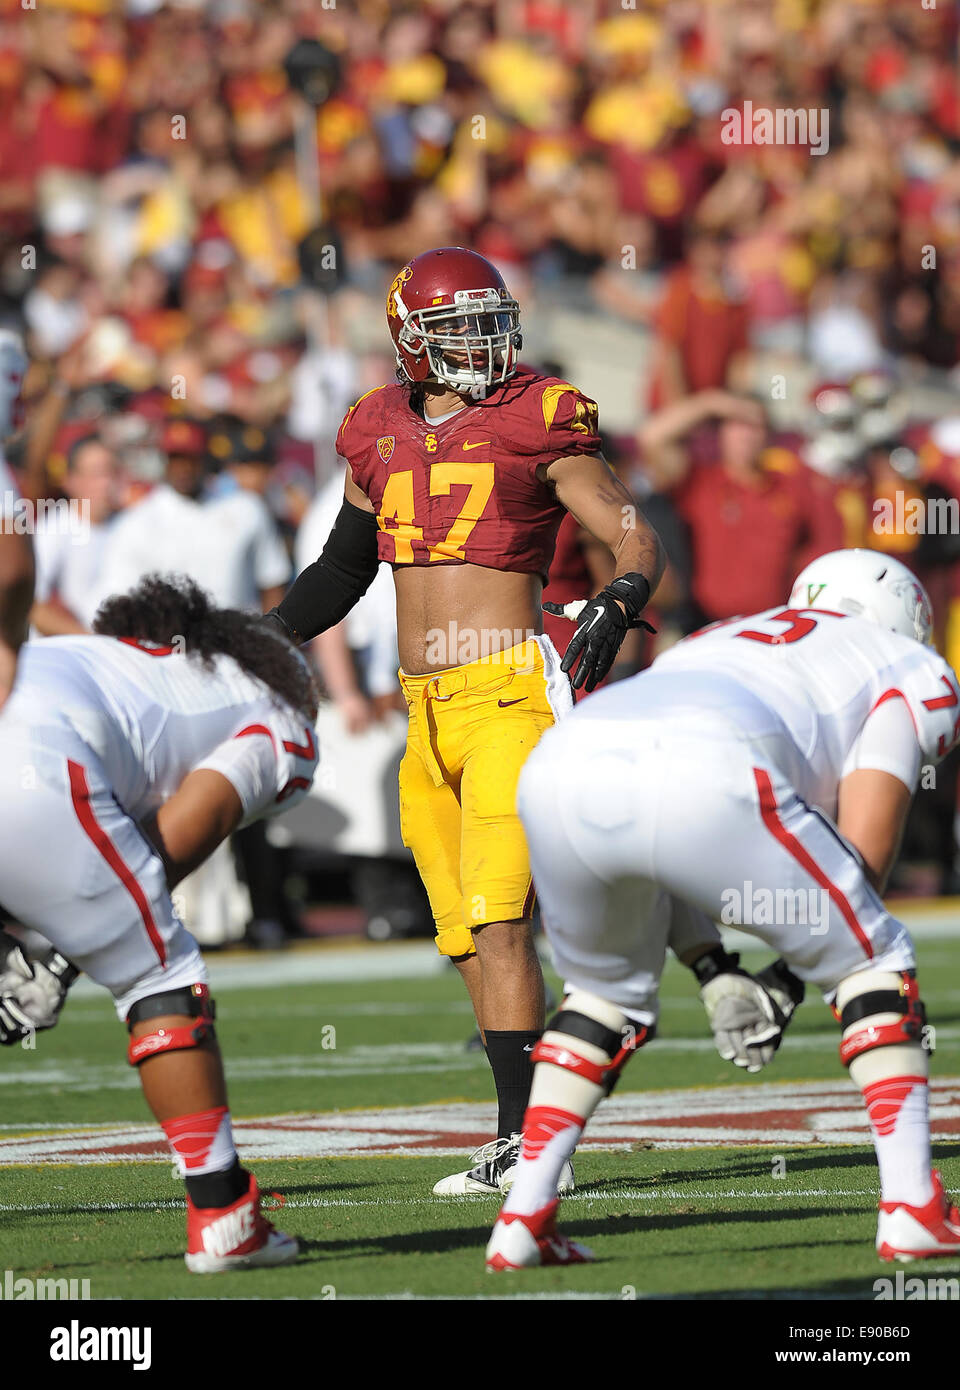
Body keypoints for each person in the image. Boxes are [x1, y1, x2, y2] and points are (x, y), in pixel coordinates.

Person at [267, 247, 666, 1196]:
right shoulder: (373, 428)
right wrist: (263, 637)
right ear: (409, 339)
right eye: (457, 330)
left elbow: (627, 527)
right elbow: (341, 570)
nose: (482, 346)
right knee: (459, 929)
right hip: (423, 706)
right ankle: (525, 1129)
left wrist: (623, 596)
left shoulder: (540, 415)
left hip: (507, 694)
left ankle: (531, 1148)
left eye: (491, 323)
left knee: (500, 919)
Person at [486, 549, 960, 1269]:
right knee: (878, 961)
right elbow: (864, 849)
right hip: (707, 765)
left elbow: (655, 834)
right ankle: (911, 1209)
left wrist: (713, 966)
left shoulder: (724, 636)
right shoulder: (902, 662)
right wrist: (796, 974)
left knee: (602, 997)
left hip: (561, 765)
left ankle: (522, 1222)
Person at [0, 575, 319, 1271]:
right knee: (160, 974)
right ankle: (224, 1216)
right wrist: (65, 952)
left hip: (30, 742)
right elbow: (184, 828)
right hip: (39, 768)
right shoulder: (271, 707)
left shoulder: (99, 657)